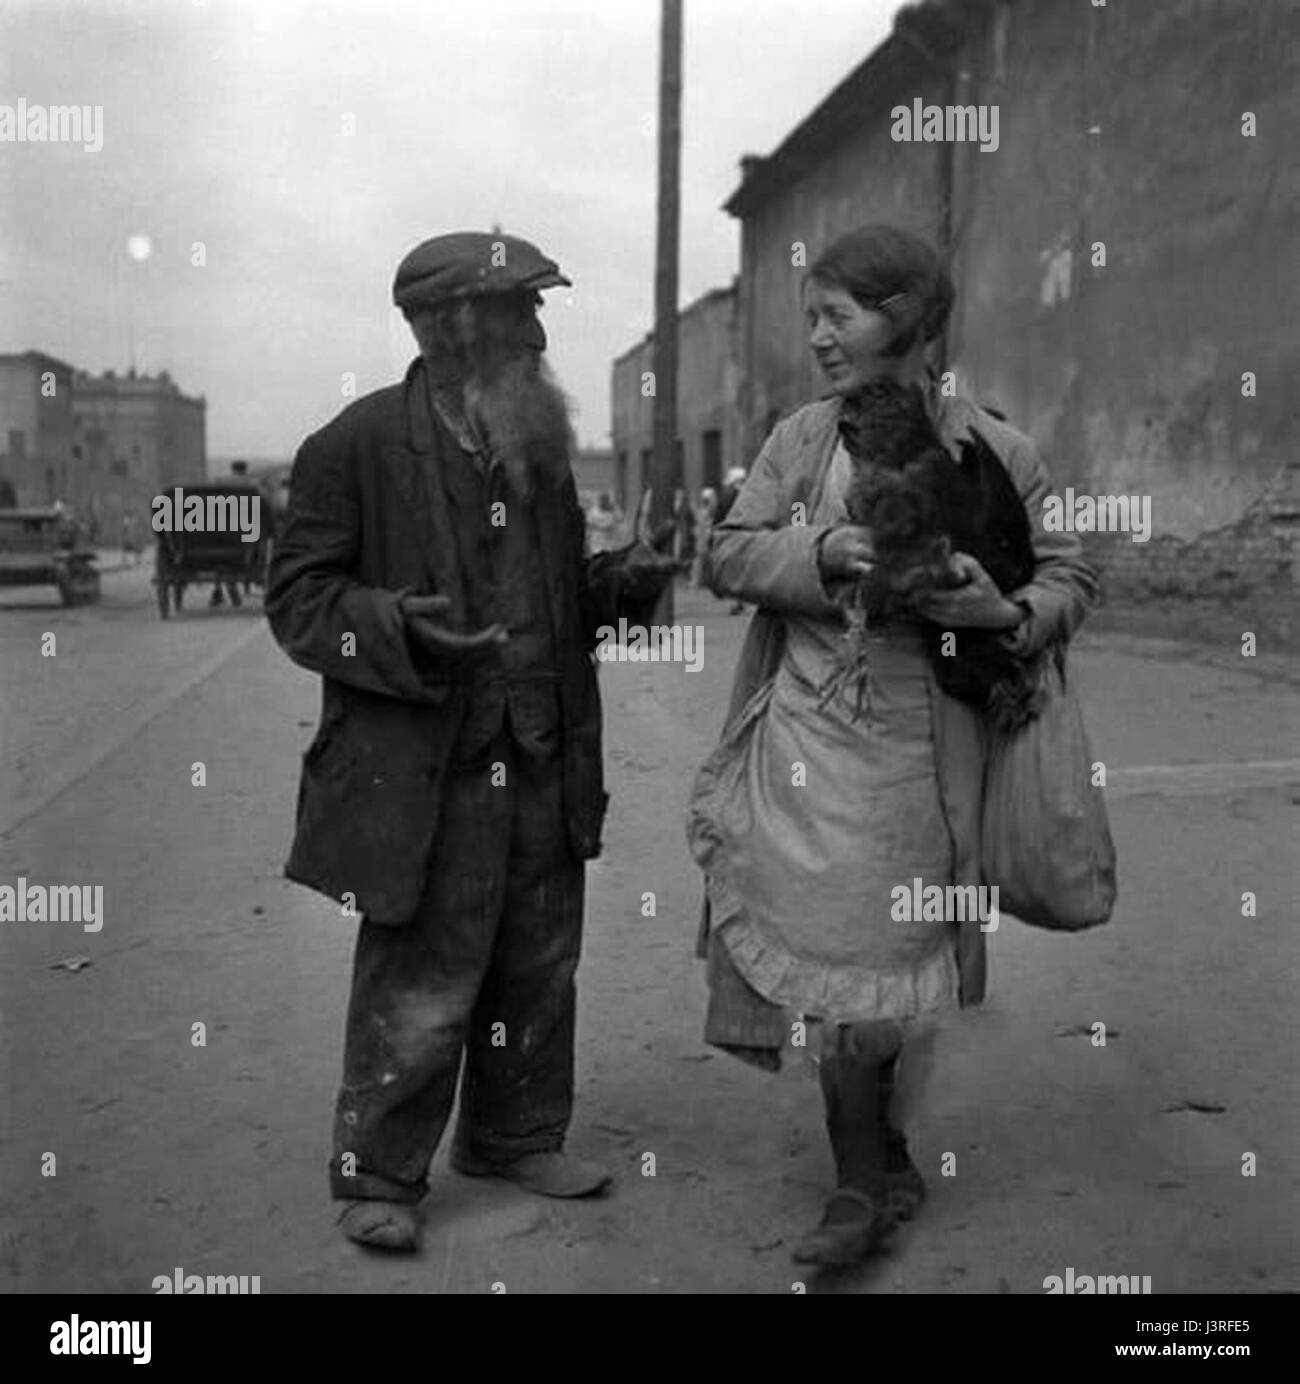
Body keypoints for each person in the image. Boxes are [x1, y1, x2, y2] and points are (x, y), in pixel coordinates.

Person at [686, 224, 1098, 1267]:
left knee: (892, 968)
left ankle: (881, 1153)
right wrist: (824, 547)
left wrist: (1000, 610)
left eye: (839, 316)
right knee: (837, 969)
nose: (819, 338)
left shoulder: (997, 450)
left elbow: (1071, 576)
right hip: (809, 738)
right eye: (810, 318)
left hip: (931, 750)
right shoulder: (799, 442)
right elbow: (726, 553)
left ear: (907, 321)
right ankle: (858, 1185)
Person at [266, 230, 674, 1253]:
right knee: (422, 968)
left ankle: (514, 1134)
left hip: (539, 745)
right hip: (424, 763)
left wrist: (617, 587)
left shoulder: (533, 446)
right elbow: (299, 601)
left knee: (539, 953)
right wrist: (396, 625)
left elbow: (552, 602)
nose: (539, 335)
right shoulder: (352, 447)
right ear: (449, 328)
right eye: (517, 314)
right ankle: (379, 1173)